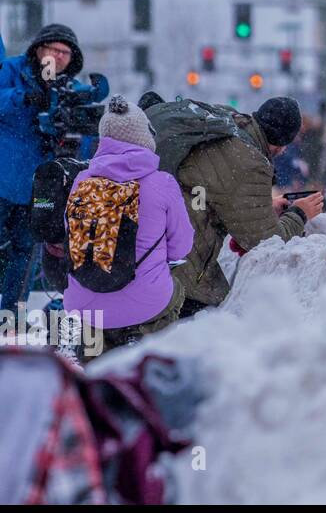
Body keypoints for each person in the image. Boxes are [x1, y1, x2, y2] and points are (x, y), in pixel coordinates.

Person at [150, 95, 324, 314]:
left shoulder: (229, 126)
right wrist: (300, 213)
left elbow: (217, 189)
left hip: (160, 245)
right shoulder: (249, 160)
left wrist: (265, 206)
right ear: (281, 145)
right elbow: (265, 241)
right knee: (206, 320)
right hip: (180, 271)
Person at [63, 96, 193, 356]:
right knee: (176, 287)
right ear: (144, 138)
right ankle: (144, 341)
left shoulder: (82, 180)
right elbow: (182, 248)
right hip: (146, 304)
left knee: (97, 331)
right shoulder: (162, 182)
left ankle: (96, 355)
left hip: (86, 304)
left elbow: (70, 232)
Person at [0, 24, 84, 307]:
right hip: (4, 179)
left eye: (66, 52)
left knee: (24, 256)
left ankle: (10, 318)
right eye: (53, 49)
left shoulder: (72, 91)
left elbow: (88, 137)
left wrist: (71, 130)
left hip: (40, 192)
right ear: (38, 49)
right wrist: (22, 99)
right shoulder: (11, 71)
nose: (59, 57)